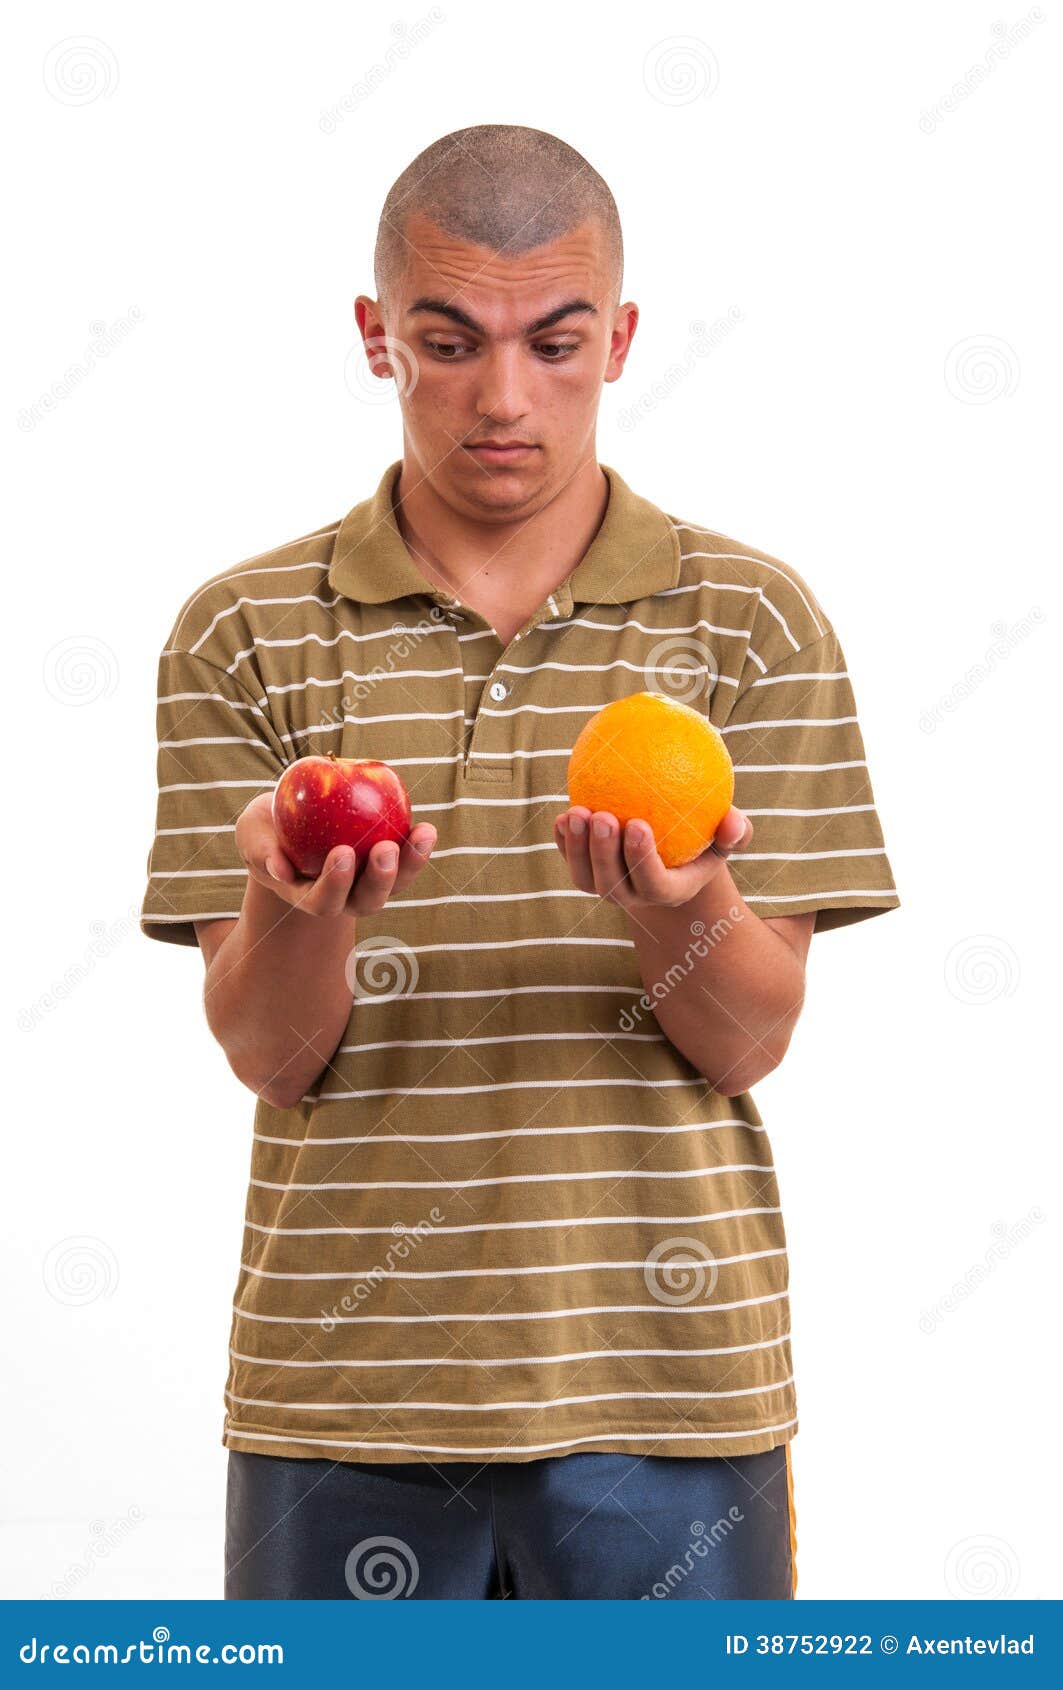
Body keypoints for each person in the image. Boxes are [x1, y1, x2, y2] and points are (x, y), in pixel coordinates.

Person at [140, 124, 900, 1600]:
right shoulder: (242, 630)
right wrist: (300, 912)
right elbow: (269, 1057)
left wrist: (681, 909)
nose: (504, 398)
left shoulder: (753, 618)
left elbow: (749, 1041)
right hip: (339, 1392)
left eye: (555, 343)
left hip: (669, 1389)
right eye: (449, 343)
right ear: (378, 337)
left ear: (619, 338)